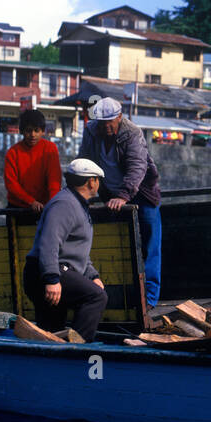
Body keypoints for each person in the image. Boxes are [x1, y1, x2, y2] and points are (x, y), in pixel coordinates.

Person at [78, 97, 163, 309]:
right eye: (101, 122)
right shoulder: (91, 131)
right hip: (111, 194)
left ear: (119, 117)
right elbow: (85, 161)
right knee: (118, 244)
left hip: (142, 193)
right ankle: (119, 295)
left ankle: (150, 299)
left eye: (110, 122)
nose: (105, 126)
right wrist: (80, 193)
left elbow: (137, 168)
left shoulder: (132, 132)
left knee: (150, 245)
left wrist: (124, 196)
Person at [22, 158, 108, 341]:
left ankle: (58, 356)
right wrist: (51, 279)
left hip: (54, 270)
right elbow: (49, 243)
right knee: (96, 298)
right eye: (98, 180)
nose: (98, 184)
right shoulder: (65, 204)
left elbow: (77, 249)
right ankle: (77, 347)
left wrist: (92, 276)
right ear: (91, 181)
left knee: (51, 331)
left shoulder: (78, 205)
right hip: (44, 272)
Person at [4, 108, 62, 211]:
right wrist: (31, 201)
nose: (33, 135)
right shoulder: (13, 153)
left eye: (36, 130)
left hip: (45, 206)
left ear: (43, 131)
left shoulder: (50, 149)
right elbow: (11, 184)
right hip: (18, 207)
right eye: (28, 130)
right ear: (22, 131)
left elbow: (54, 180)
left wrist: (53, 203)